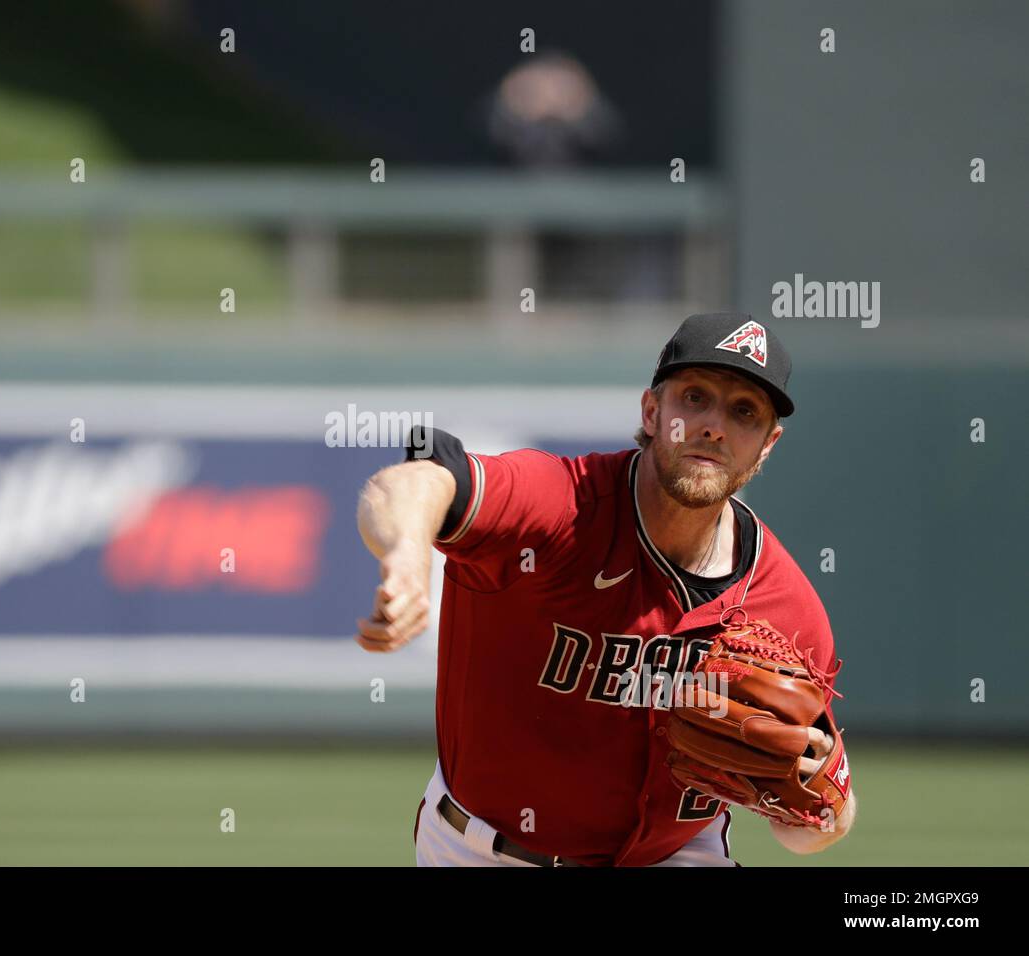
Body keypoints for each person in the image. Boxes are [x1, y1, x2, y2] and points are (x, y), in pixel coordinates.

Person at [354, 312, 855, 866]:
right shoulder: (559, 509)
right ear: (651, 411)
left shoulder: (784, 604)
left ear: (766, 445)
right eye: (695, 397)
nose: (714, 426)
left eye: (744, 412)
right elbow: (419, 478)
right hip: (489, 854)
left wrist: (825, 802)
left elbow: (812, 828)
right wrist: (404, 555)